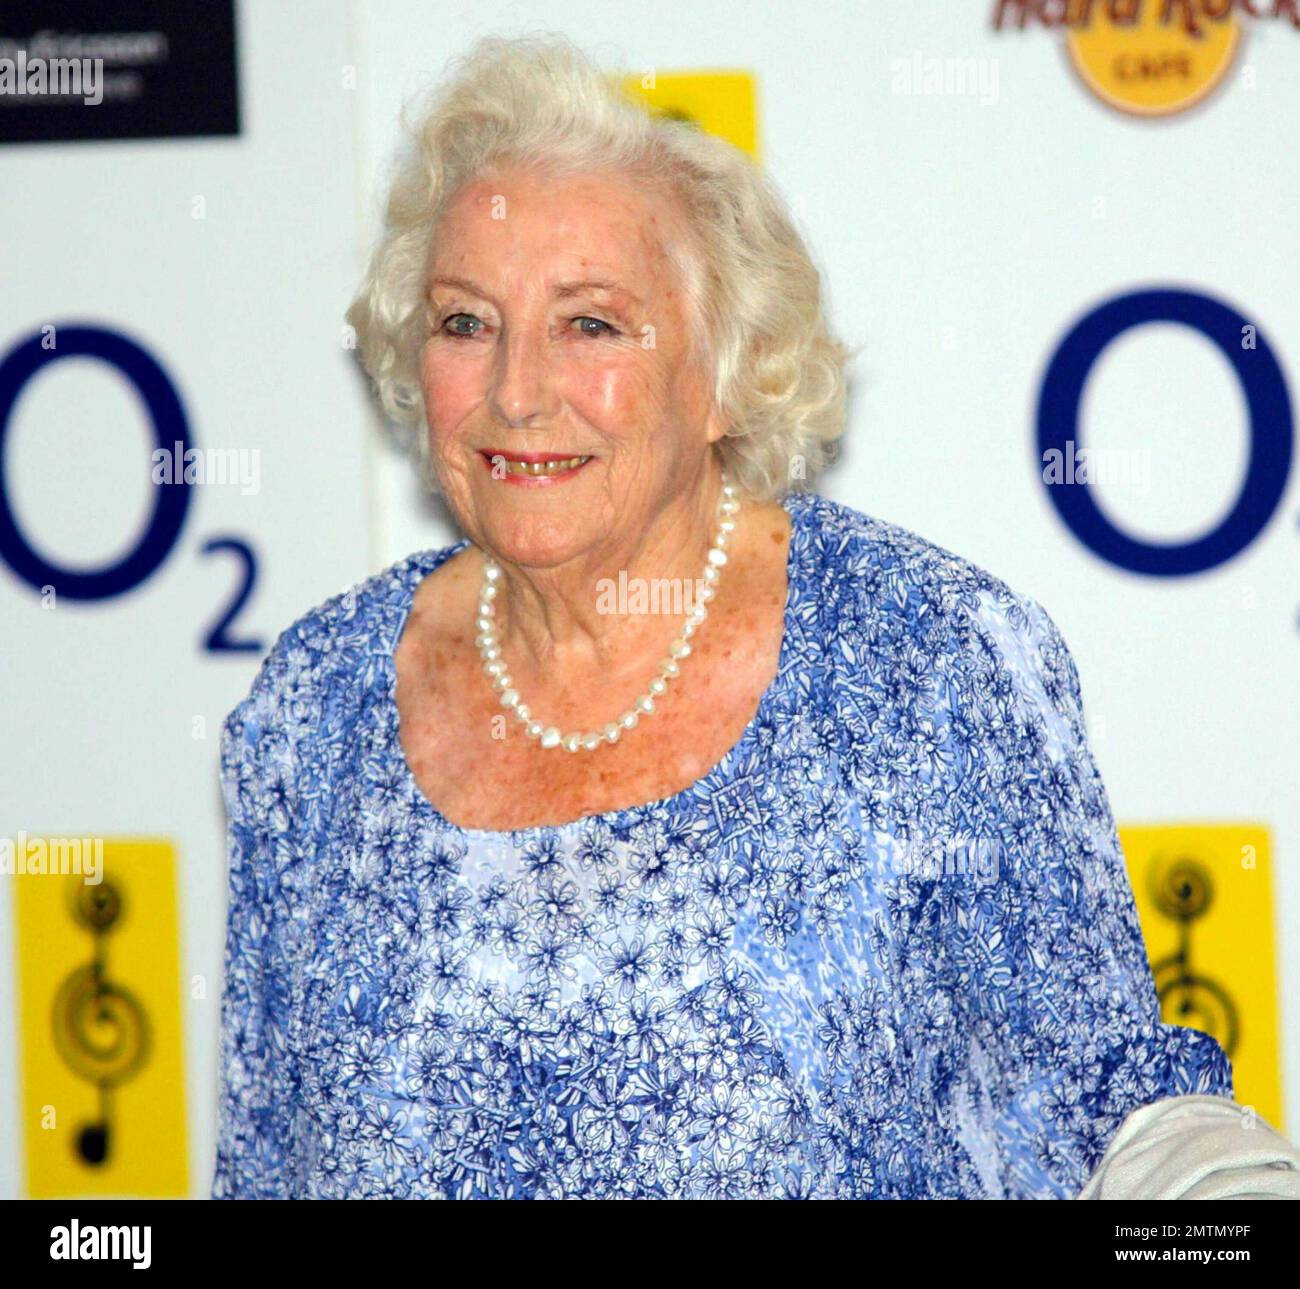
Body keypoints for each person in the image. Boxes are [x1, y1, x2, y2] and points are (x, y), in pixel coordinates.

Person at [211, 32, 1294, 1199]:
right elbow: (264, 1160)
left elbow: (1103, 1104)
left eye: (590, 323)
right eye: (465, 321)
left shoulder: (922, 661)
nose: (517, 391)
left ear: (729, 370)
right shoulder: (316, 702)